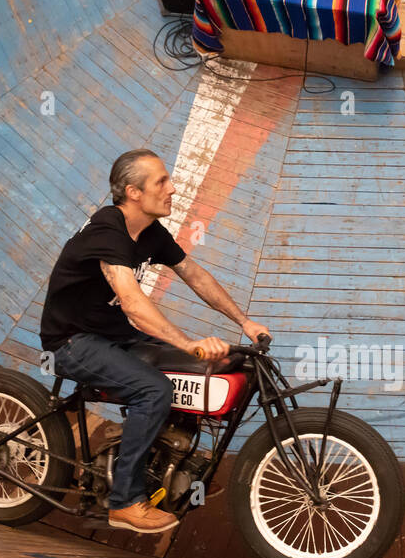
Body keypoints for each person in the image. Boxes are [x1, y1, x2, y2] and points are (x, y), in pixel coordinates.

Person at [39, 150, 270, 533]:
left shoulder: (149, 232)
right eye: (162, 181)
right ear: (133, 192)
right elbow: (132, 302)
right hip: (72, 341)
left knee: (196, 371)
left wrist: (244, 322)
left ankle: (154, 459)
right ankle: (125, 502)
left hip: (115, 337)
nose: (173, 188)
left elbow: (195, 275)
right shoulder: (108, 231)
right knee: (154, 391)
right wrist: (188, 342)